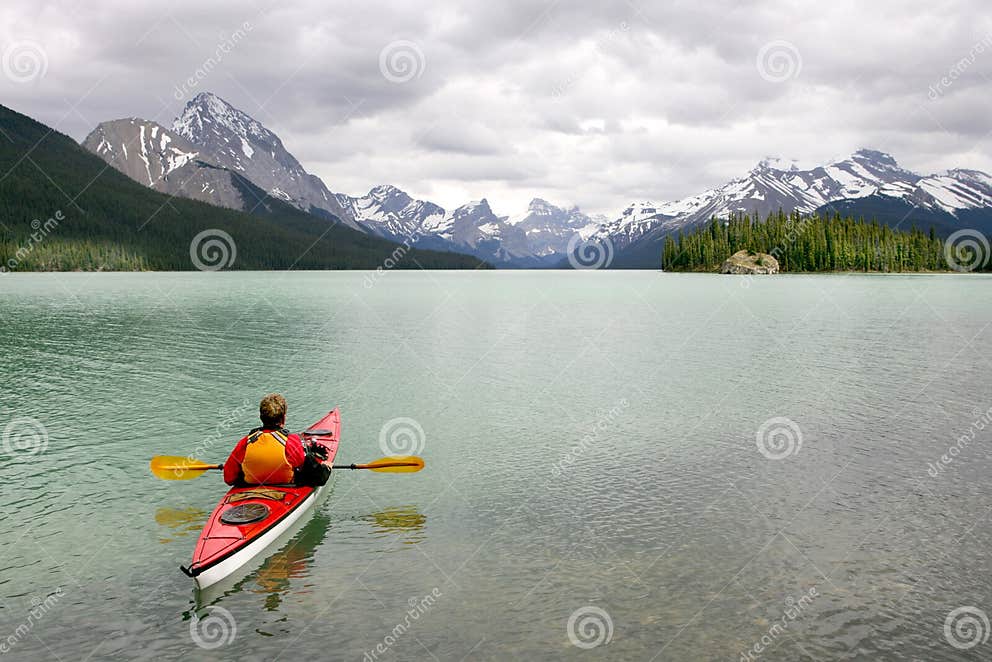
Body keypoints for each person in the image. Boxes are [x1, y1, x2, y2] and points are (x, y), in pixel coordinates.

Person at [224, 394, 328, 486]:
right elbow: (318, 478)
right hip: (287, 488)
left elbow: (229, 479)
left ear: (261, 417)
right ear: (283, 418)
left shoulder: (245, 443)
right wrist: (327, 467)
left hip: (250, 488)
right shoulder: (291, 442)